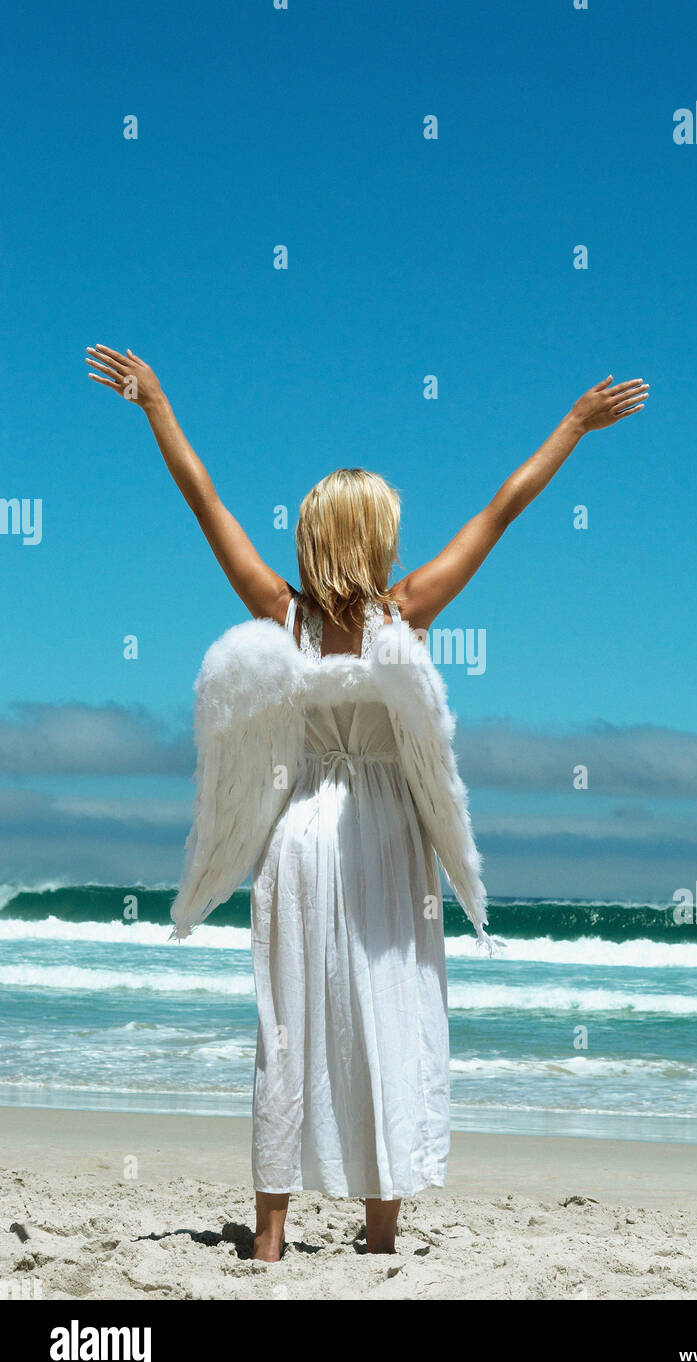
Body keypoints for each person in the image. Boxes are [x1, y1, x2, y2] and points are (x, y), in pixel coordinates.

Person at [87, 343, 648, 1257]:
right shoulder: (408, 609)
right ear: (374, 537)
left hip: (299, 830)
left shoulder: (282, 613)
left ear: (312, 537)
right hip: (384, 836)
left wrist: (156, 405)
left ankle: (270, 1239)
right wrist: (575, 427)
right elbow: (501, 510)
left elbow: (206, 503)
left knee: (288, 1020)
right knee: (388, 1012)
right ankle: (378, 1232)